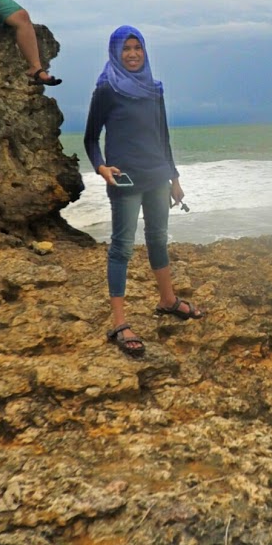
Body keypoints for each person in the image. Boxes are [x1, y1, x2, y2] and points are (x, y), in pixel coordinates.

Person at [83, 26, 201, 356]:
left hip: (157, 177)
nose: (133, 54)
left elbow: (163, 137)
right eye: (126, 48)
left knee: (158, 238)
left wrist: (174, 178)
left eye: (138, 48)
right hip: (125, 180)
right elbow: (90, 138)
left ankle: (167, 300)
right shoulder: (106, 89)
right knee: (122, 247)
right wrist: (101, 167)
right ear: (115, 52)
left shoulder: (154, 89)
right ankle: (120, 322)